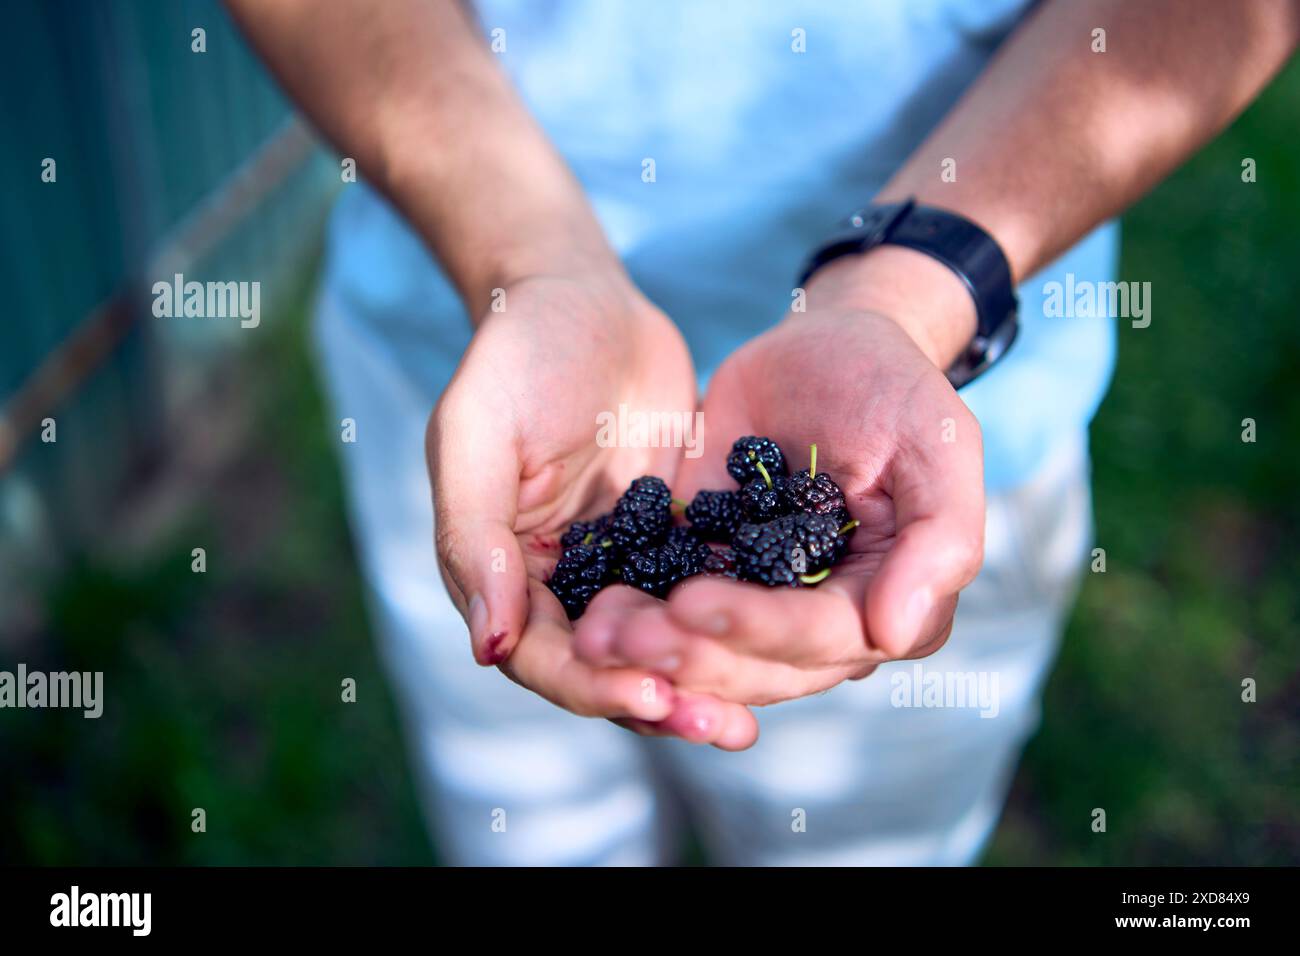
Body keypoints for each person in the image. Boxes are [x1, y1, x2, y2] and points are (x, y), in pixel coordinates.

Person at [227, 0, 1298, 865]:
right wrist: (528, 257)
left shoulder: (848, 485)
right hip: (492, 423)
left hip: (922, 436)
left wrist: (904, 297)